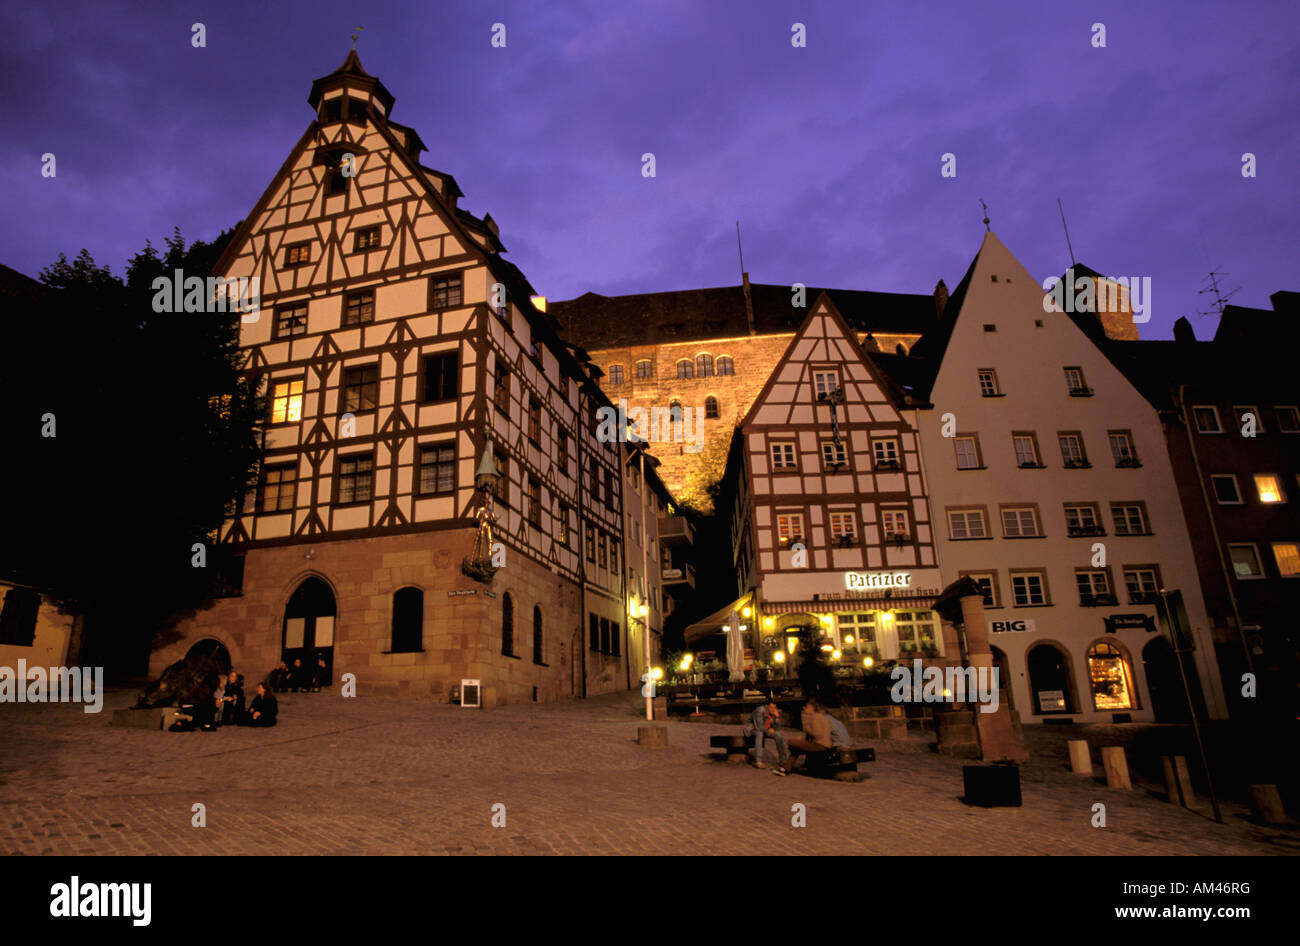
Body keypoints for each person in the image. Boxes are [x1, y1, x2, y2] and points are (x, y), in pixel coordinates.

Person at [774, 700, 831, 776]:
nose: (804, 709)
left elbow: (817, 734)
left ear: (812, 708)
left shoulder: (816, 717)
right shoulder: (819, 716)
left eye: (806, 707)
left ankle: (786, 768)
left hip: (820, 745)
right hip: (820, 744)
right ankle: (786, 769)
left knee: (791, 742)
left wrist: (806, 727)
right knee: (796, 748)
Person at [742, 699, 788, 769]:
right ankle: (758, 761)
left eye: (774, 707)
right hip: (752, 729)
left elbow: (777, 728)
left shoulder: (773, 712)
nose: (773, 709)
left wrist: (777, 717)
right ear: (766, 707)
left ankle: (783, 760)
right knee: (759, 734)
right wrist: (769, 731)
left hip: (765, 730)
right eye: (771, 707)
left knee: (778, 734)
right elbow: (759, 727)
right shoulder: (760, 710)